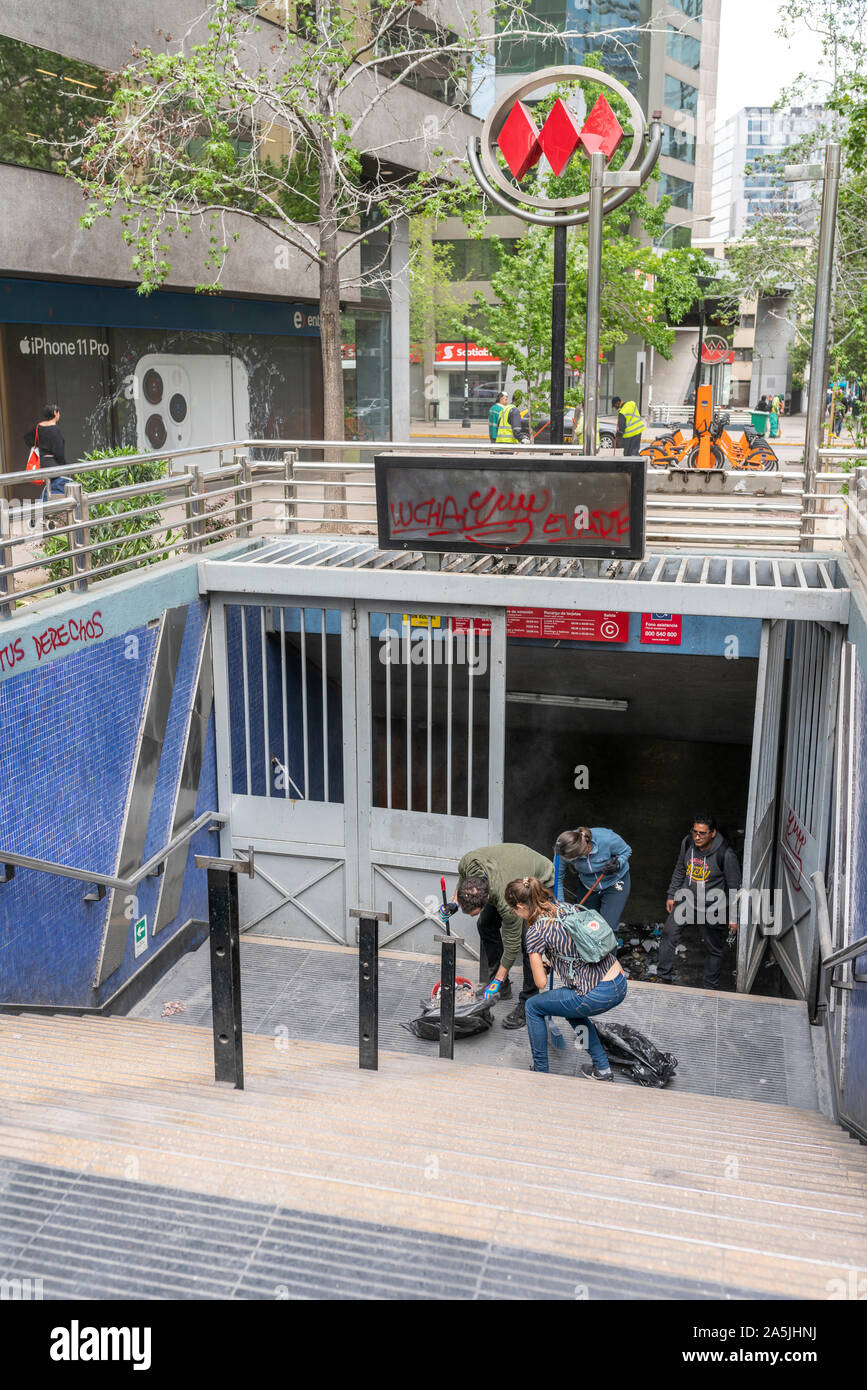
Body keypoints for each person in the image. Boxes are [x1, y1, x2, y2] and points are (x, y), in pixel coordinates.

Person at [505, 875, 627, 1079]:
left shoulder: (535, 931)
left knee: (533, 1006)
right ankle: (603, 1069)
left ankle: (541, 1072)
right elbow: (573, 946)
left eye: (514, 910)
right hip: (619, 981)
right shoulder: (566, 907)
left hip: (596, 993)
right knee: (570, 1009)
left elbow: (540, 983)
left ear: (520, 906)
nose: (516, 914)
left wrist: (542, 966)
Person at [449, 843, 555, 1028]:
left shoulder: (507, 904)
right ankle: (504, 987)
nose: (472, 916)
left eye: (474, 912)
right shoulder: (468, 863)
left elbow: (511, 946)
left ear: (488, 898)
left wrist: (495, 981)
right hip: (507, 869)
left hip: (537, 878)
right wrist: (453, 904)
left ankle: (528, 1001)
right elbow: (462, 882)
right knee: (485, 924)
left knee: (528, 943)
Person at [657, 812, 741, 989]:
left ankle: (710, 988)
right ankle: (663, 978)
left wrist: (734, 918)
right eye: (695, 832)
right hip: (687, 899)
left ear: (713, 833)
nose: (697, 837)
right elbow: (680, 868)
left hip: (712, 906)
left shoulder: (726, 854)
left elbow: (734, 887)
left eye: (702, 833)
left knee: (714, 949)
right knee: (668, 934)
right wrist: (672, 894)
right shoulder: (688, 843)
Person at [554, 826, 632, 928]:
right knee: (586, 925)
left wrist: (618, 864)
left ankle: (611, 943)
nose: (564, 860)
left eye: (569, 859)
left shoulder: (607, 838)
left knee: (607, 927)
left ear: (579, 854)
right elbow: (557, 877)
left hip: (614, 881)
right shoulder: (563, 847)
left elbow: (626, 851)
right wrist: (561, 906)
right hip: (588, 885)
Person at [24, 405, 73, 499]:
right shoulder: (55, 429)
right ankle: (46, 505)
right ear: (55, 413)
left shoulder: (38, 426)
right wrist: (63, 464)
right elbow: (59, 453)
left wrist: (40, 447)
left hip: (42, 462)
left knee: (50, 485)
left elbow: (27, 438)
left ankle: (45, 504)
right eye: (58, 412)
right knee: (59, 485)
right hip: (53, 463)